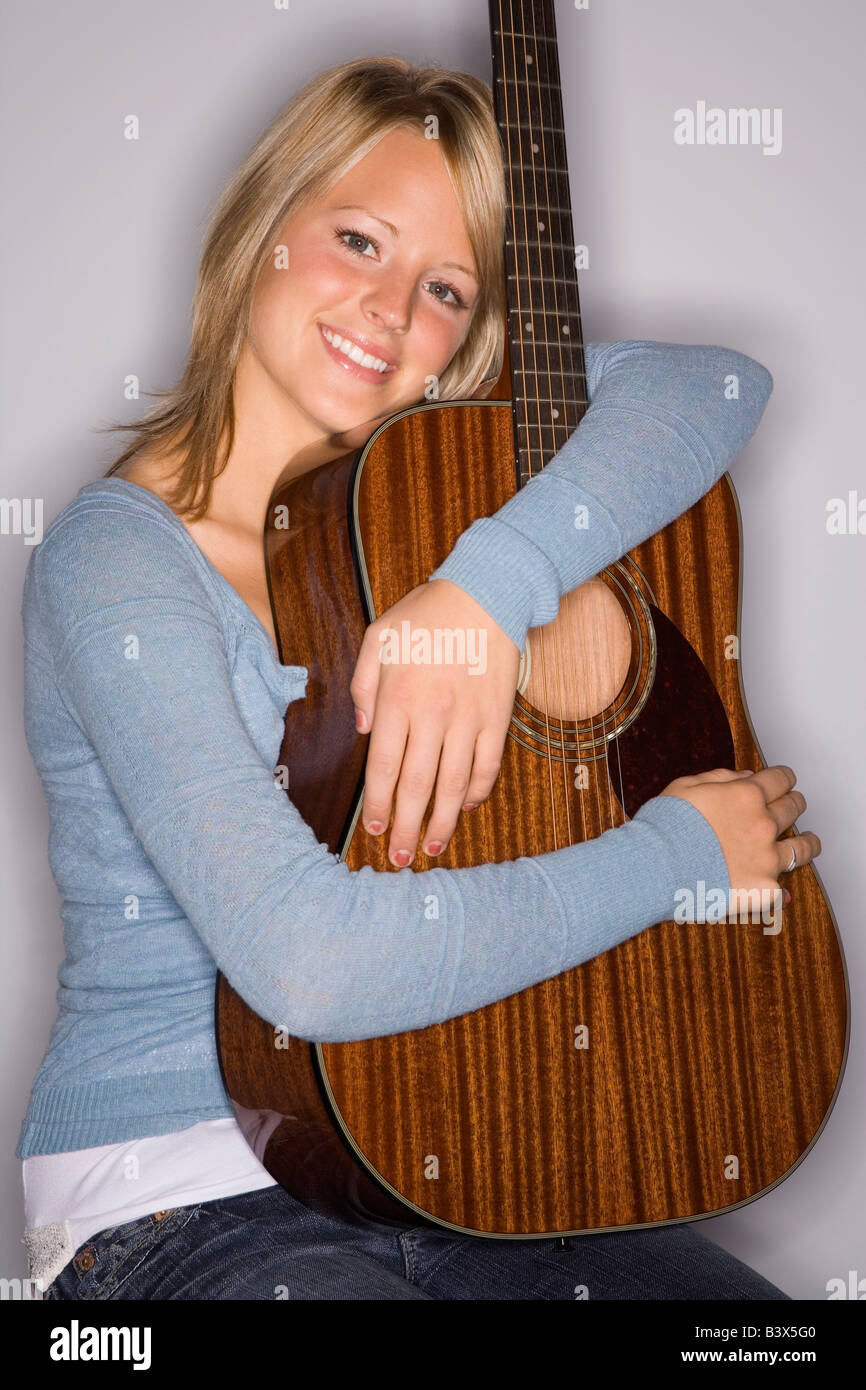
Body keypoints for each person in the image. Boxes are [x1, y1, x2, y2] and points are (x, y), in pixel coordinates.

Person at [18, 57, 817, 1301]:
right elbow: (308, 964)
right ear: (259, 228)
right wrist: (675, 860)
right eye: (354, 238)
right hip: (180, 1199)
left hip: (471, 1176)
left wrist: (493, 583)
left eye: (442, 286)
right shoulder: (114, 563)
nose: (387, 309)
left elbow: (717, 385)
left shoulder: (436, 516)